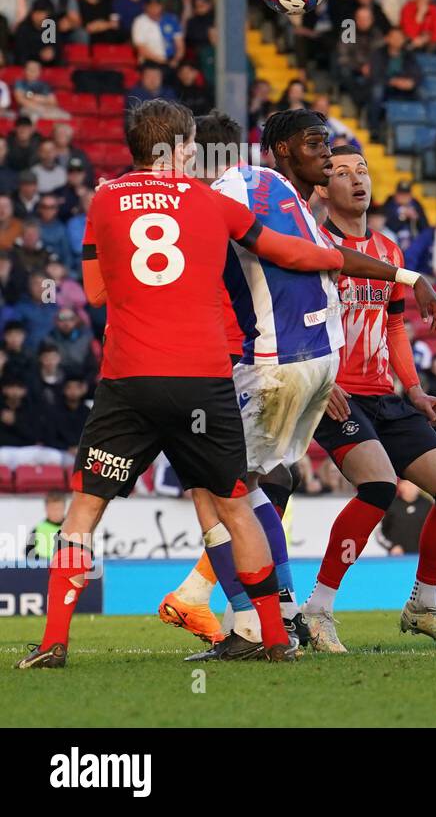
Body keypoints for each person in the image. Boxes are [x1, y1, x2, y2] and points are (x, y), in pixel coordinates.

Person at [18, 99, 355, 669]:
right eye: (192, 144)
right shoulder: (212, 200)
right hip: (203, 378)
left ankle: (53, 642)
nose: (196, 152)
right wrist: (354, 262)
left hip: (130, 379)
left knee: (82, 511)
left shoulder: (102, 198)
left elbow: (96, 294)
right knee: (236, 507)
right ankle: (274, 638)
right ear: (174, 147)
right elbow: (283, 251)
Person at [161, 111, 436, 660]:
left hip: (263, 362)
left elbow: (289, 261)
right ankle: (279, 613)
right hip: (312, 361)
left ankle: (254, 623)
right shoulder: (279, 191)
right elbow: (325, 262)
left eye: (188, 152)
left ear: (198, 156)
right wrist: (406, 277)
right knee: (260, 482)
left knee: (220, 492)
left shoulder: (224, 195)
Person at [302, 147, 436, 653]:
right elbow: (298, 317)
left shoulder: (390, 251)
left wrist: (415, 389)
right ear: (320, 188)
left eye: (363, 171)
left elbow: (395, 324)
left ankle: (423, 605)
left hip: (384, 394)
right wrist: (320, 379)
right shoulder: (313, 245)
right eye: (341, 172)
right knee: (378, 487)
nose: (358, 180)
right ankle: (318, 610)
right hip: (334, 392)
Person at [25, 492, 66, 562]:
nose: (56, 512)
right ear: (46, 509)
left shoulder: (72, 528)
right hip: (43, 569)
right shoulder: (37, 530)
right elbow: (28, 553)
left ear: (64, 508)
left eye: (58, 508)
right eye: (52, 509)